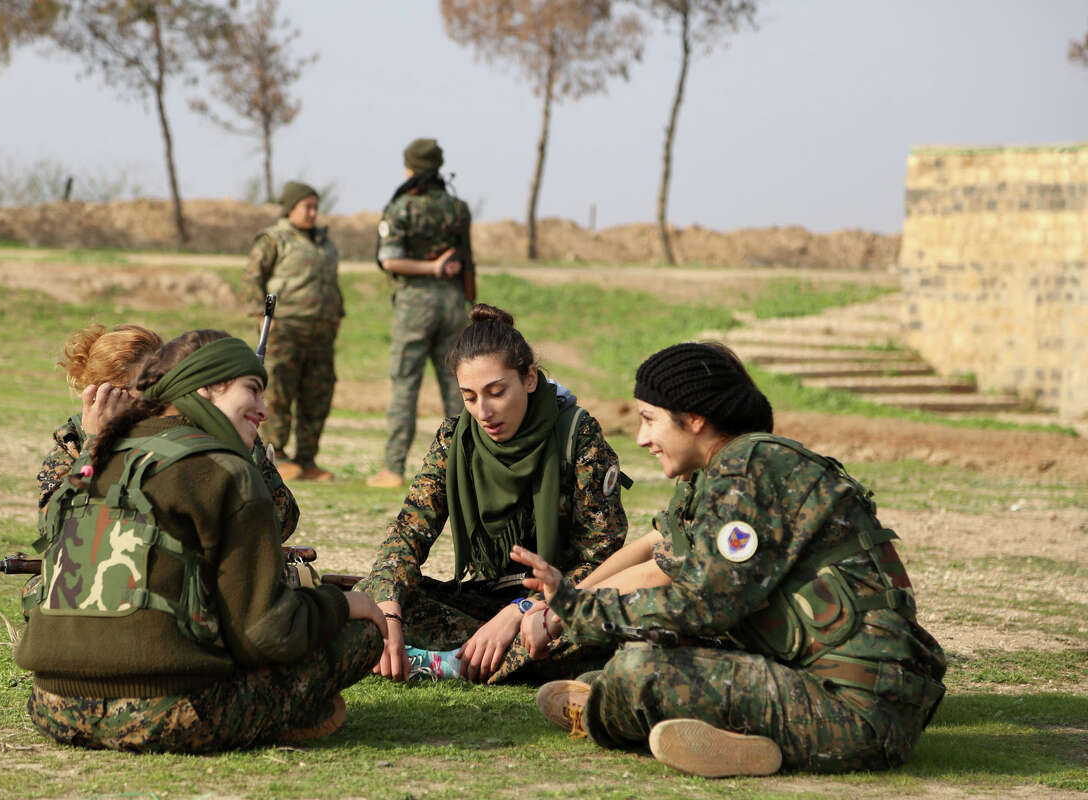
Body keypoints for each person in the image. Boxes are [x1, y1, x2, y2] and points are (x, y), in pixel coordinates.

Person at [511, 342, 947, 778]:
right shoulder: (728, 471)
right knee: (646, 652)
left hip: (856, 716)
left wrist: (577, 608)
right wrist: (569, 604)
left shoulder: (750, 472)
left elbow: (704, 604)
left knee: (639, 670)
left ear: (695, 419)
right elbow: (669, 564)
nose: (642, 438)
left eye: (649, 420)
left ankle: (613, 710)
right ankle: (694, 727)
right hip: (844, 693)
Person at [15, 330, 387, 752]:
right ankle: (289, 714)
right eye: (253, 390)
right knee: (361, 632)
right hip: (165, 715)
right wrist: (342, 604)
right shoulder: (225, 469)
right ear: (208, 387)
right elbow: (265, 635)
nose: (264, 411)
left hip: (52, 707)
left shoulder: (93, 455)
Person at [357, 304, 628, 685]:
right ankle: (482, 657)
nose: (483, 412)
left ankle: (453, 660)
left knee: (597, 627)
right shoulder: (455, 439)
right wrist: (389, 613)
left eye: (496, 393)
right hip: (488, 603)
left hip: (560, 603)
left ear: (530, 378)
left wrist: (523, 609)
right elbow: (405, 537)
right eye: (469, 397)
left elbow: (604, 559)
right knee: (368, 594)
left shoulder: (577, 436)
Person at [36, 323, 299, 539]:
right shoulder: (76, 440)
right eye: (142, 390)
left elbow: (280, 523)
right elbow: (56, 529)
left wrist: (242, 444)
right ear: (102, 395)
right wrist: (95, 446)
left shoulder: (198, 430)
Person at [366, 137, 474, 489]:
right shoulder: (457, 207)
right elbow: (468, 262)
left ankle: (393, 468)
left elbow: (390, 260)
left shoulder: (402, 208)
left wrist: (428, 270)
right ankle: (467, 466)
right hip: (454, 303)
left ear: (410, 167)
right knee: (458, 386)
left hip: (414, 305)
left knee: (405, 385)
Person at [244, 181, 342, 483]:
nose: (313, 213)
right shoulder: (274, 240)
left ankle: (307, 459)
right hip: (285, 331)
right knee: (278, 395)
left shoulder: (326, 243)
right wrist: (260, 320)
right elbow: (252, 280)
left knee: (317, 396)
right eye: (306, 207)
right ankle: (279, 456)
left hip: (321, 335)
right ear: (290, 208)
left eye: (316, 206)